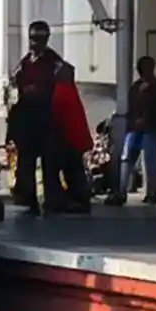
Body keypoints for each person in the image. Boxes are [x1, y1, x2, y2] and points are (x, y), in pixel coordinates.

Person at [9, 21, 65, 215]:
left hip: (47, 118)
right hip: (28, 119)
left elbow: (63, 80)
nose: (35, 43)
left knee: (50, 162)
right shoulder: (26, 61)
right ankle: (28, 197)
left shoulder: (53, 62)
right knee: (26, 161)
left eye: (39, 39)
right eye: (32, 38)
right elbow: (15, 79)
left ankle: (52, 199)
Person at [106, 56, 156, 206]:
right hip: (136, 128)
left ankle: (151, 192)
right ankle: (122, 192)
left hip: (152, 128)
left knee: (149, 160)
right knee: (127, 158)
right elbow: (132, 109)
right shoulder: (137, 88)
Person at [50, 62, 93, 212]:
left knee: (71, 170)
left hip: (67, 138)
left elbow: (57, 116)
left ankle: (76, 199)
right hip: (76, 137)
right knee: (75, 169)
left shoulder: (60, 91)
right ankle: (80, 198)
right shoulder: (71, 90)